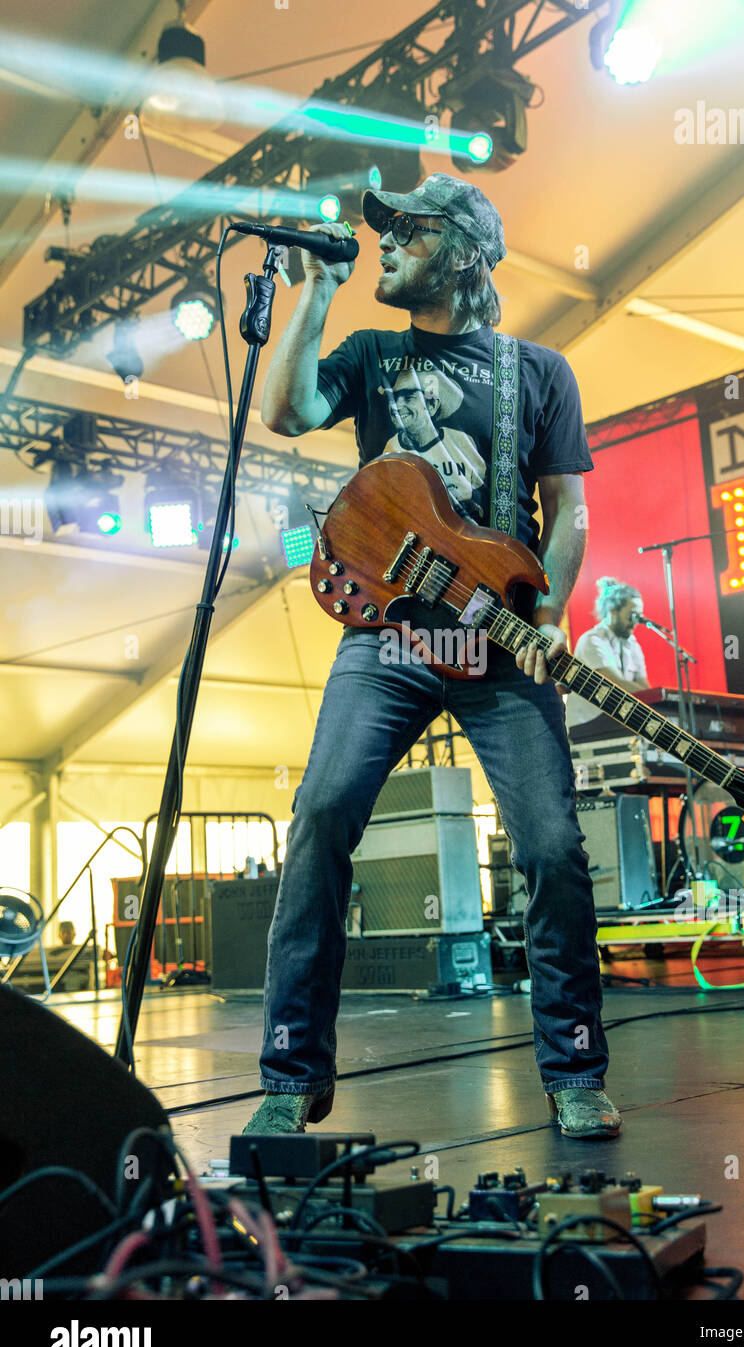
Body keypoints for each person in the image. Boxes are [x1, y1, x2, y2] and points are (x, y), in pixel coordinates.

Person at [245, 171, 621, 1141]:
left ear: (459, 249)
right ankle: (292, 1067)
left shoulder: (536, 370)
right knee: (323, 812)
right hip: (390, 634)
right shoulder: (372, 355)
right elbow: (284, 413)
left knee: (550, 849)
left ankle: (573, 1064)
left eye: (405, 233)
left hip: (499, 646)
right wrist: (316, 291)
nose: (385, 245)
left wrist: (552, 613)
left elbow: (568, 507)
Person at [567, 577, 649, 734]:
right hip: (587, 728)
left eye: (639, 616)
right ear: (613, 611)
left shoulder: (632, 645)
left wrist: (663, 705)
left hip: (614, 726)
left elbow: (644, 688)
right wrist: (654, 706)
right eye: (631, 615)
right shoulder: (593, 640)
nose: (635, 622)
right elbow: (616, 684)